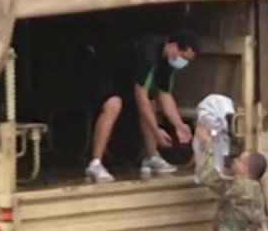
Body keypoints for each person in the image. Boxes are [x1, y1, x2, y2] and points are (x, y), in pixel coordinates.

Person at [84, 30, 200, 183]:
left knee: (151, 102)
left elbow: (164, 94)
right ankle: (95, 163)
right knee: (114, 105)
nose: (183, 63)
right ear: (173, 46)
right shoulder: (149, 53)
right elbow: (141, 97)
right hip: (102, 67)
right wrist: (156, 131)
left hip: (127, 75)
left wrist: (178, 124)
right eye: (183, 57)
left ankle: (151, 157)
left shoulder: (168, 61)